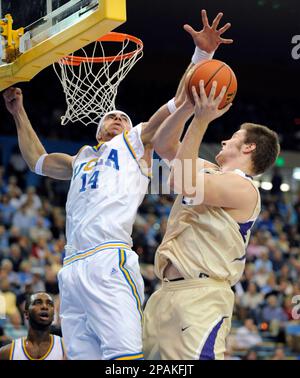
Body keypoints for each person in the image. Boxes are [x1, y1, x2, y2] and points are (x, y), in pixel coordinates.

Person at [3, 9, 233, 360]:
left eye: (123, 118)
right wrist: (18, 111)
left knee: (124, 358)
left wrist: (202, 56)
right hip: (72, 267)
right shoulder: (80, 158)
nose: (116, 118)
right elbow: (37, 160)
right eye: (111, 116)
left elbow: (174, 105)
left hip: (110, 259)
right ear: (97, 129)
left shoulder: (133, 146)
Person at [143, 78, 280, 359]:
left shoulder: (245, 188)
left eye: (232, 137)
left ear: (249, 147)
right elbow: (163, 144)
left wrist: (201, 121)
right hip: (166, 292)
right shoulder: (209, 170)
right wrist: (188, 108)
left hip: (201, 297)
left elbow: (183, 182)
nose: (224, 139)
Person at [0, 292, 65, 360]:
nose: (45, 307)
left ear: (53, 315)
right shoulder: (7, 352)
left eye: (49, 304)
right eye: (38, 303)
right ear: (26, 314)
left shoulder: (66, 348)